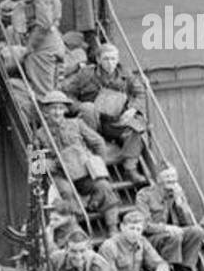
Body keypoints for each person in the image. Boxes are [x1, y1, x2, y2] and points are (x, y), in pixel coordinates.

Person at [35, 90, 121, 232]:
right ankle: (75, 230)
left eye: (60, 108)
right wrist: (49, 165)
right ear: (46, 112)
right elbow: (35, 165)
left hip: (84, 173)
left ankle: (112, 228)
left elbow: (98, 142)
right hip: (61, 175)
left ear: (65, 110)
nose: (57, 112)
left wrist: (97, 163)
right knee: (65, 191)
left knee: (104, 186)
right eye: (53, 109)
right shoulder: (40, 133)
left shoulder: (76, 124)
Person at [62, 42, 148, 182]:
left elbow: (140, 93)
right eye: (106, 59)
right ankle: (94, 158)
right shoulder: (85, 74)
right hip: (92, 122)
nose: (110, 63)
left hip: (114, 121)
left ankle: (130, 169)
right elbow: (67, 94)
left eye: (113, 59)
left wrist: (132, 110)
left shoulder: (125, 74)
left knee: (136, 127)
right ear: (98, 59)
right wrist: (80, 106)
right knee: (88, 108)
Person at [0, 0, 65, 113]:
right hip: (50, 43)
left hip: (42, 46)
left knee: (44, 94)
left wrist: (29, 48)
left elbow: (44, 25)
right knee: (50, 89)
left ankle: (47, 130)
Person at [135, 165, 204, 271]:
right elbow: (145, 226)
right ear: (158, 179)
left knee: (197, 231)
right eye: (167, 176)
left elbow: (188, 223)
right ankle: (170, 269)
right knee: (174, 236)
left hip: (172, 238)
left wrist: (180, 203)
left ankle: (187, 267)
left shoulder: (175, 194)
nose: (172, 180)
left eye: (173, 176)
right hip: (152, 238)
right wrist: (167, 228)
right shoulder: (144, 195)